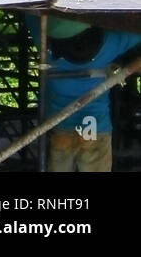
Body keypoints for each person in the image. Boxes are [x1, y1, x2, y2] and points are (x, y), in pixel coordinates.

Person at [28, 17, 141, 172]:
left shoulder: (44, 46)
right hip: (95, 126)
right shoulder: (110, 44)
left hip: (60, 125)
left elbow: (31, 15)